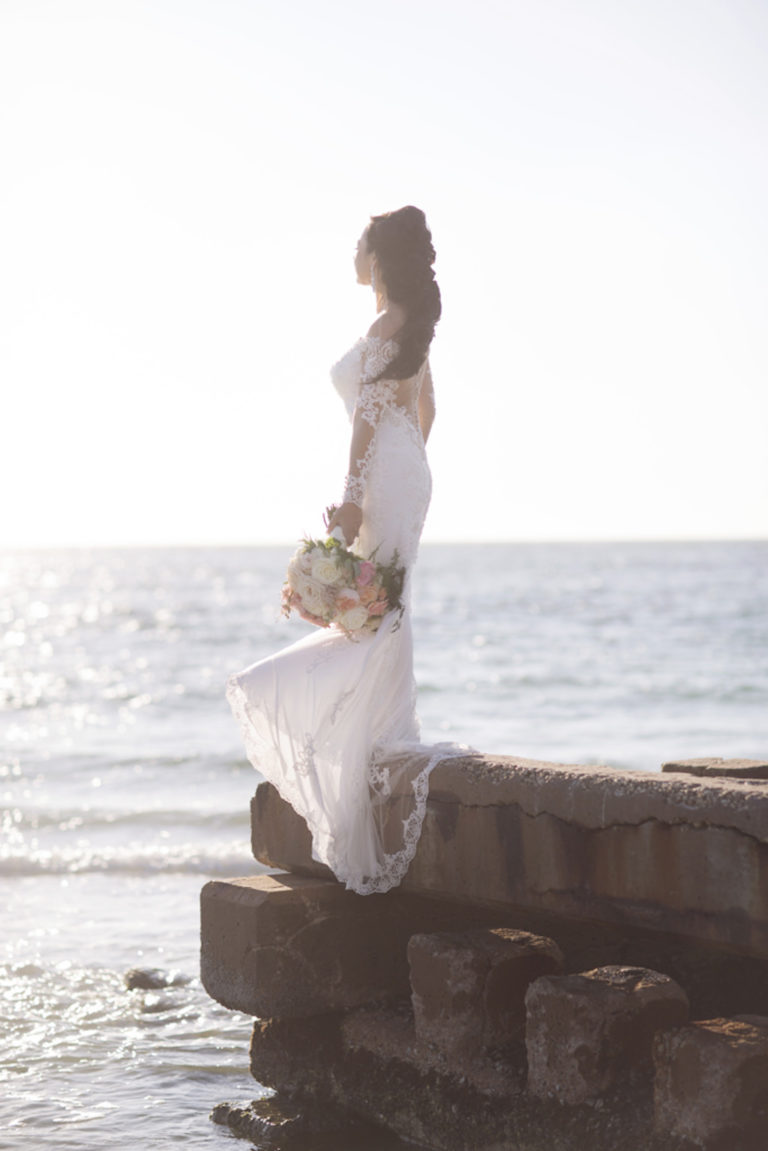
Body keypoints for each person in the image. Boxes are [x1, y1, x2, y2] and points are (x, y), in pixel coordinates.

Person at [226, 205, 466, 895]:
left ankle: (363, 738)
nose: (354, 249)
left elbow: (367, 418)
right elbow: (428, 412)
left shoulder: (390, 326)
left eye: (362, 239)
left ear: (379, 256)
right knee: (383, 607)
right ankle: (385, 737)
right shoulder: (407, 329)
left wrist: (354, 495)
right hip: (408, 470)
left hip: (387, 476)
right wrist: (404, 464)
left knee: (373, 607)